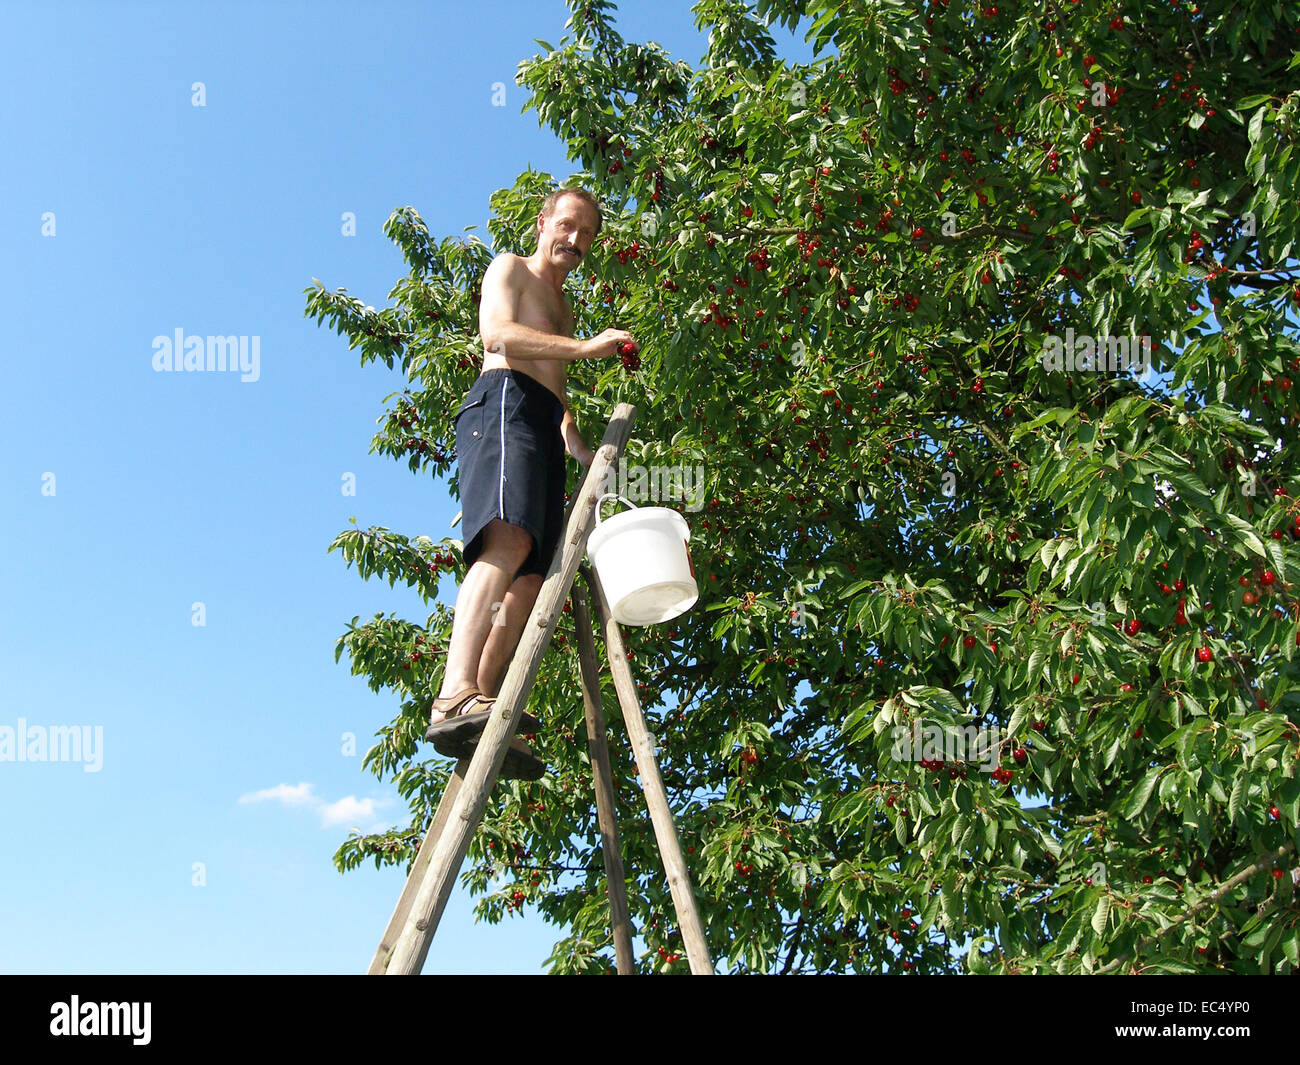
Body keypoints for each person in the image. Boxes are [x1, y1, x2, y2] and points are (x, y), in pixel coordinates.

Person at [424, 188, 638, 778]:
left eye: (587, 233)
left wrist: (576, 442)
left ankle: (480, 706)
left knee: (534, 577)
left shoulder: (565, 309)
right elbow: (498, 338)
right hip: (504, 407)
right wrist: (590, 348)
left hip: (542, 425)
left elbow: (559, 392)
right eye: (567, 226)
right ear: (544, 223)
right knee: (508, 542)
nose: (575, 241)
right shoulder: (510, 269)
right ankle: (454, 689)